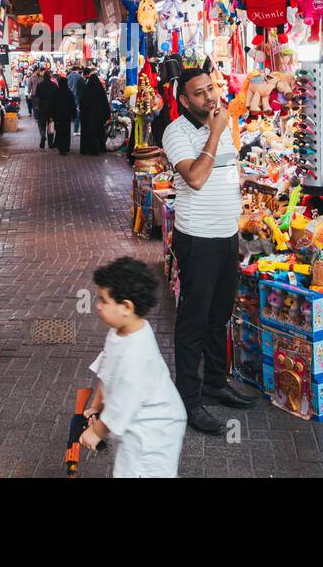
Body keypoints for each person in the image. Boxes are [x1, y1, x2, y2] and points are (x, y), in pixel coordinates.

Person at [161, 68, 259, 434]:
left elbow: (226, 169)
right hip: (198, 238)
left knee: (219, 315)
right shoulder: (176, 132)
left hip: (226, 234)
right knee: (194, 322)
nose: (210, 96)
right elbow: (196, 178)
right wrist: (215, 133)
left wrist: (243, 184)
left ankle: (215, 383)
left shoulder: (224, 122)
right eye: (199, 93)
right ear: (185, 101)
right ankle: (188, 400)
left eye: (211, 88)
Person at [80, 257, 186, 478]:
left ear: (126, 307)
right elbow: (107, 371)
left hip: (154, 432)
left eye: (103, 300)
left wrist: (96, 432)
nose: (97, 306)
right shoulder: (120, 331)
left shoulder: (136, 353)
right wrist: (96, 407)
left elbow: (121, 405)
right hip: (137, 423)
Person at [78, 71, 110, 156]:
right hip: (98, 117)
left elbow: (82, 102)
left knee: (89, 132)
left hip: (88, 116)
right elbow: (105, 103)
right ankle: (98, 148)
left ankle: (88, 149)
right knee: (98, 132)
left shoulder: (86, 89)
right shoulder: (100, 90)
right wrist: (106, 114)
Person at [50, 74, 77, 155]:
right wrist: (74, 114)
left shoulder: (56, 92)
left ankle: (61, 147)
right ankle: (66, 147)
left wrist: (51, 115)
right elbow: (73, 104)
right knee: (66, 131)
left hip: (58, 115)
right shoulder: (69, 92)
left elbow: (52, 104)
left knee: (59, 131)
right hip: (67, 115)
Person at [35, 73, 58, 149]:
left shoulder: (39, 85)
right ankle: (50, 143)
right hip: (52, 108)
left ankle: (43, 136)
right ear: (50, 77)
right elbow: (56, 97)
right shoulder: (54, 85)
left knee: (42, 124)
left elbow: (36, 96)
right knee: (51, 125)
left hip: (42, 107)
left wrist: (37, 106)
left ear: (43, 77)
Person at [67, 66, 84, 134]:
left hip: (69, 96)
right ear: (77, 70)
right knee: (77, 113)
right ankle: (75, 130)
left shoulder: (68, 76)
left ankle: (67, 130)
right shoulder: (79, 77)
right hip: (76, 96)